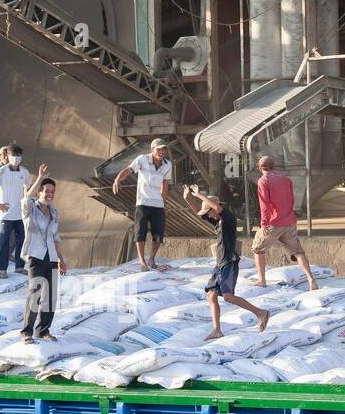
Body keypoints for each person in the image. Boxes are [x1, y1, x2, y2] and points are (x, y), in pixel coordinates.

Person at [183, 186, 268, 340]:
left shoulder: (228, 218)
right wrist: (188, 198)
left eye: (209, 211)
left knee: (228, 297)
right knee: (211, 295)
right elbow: (199, 212)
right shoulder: (217, 222)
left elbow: (215, 207)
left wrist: (199, 195)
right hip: (220, 263)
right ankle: (217, 330)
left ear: (215, 209)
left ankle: (260, 313)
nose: (208, 215)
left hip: (229, 262)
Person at [250, 154, 320, 290]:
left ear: (260, 168)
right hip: (289, 221)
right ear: (274, 166)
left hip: (273, 222)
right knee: (298, 251)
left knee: (258, 249)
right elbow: (291, 200)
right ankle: (311, 279)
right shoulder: (286, 180)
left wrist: (264, 223)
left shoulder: (263, 181)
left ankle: (261, 280)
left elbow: (264, 204)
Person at [113, 138, 173, 271]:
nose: (161, 152)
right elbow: (129, 170)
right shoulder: (142, 159)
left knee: (158, 234)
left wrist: (163, 204)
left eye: (163, 149)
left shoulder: (167, 165)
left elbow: (165, 185)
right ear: (152, 150)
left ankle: (151, 259)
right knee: (140, 232)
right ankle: (142, 261)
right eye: (158, 149)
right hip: (143, 202)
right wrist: (118, 179)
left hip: (157, 204)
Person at [20, 172, 66, 341]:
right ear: (39, 192)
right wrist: (39, 178)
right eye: (46, 191)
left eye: (52, 192)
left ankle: (43, 330)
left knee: (51, 296)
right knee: (35, 293)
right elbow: (25, 199)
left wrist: (61, 259)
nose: (50, 195)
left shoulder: (54, 212)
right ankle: (26, 332)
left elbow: (55, 237)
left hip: (51, 257)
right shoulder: (31, 209)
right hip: (36, 255)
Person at [0, 144, 32, 279]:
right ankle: (2, 269)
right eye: (13, 156)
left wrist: (27, 201)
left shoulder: (24, 172)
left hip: (20, 213)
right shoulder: (1, 171)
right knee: (4, 241)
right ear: (8, 156)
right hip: (5, 214)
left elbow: (28, 189)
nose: (16, 159)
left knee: (21, 240)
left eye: (18, 156)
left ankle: (19, 266)